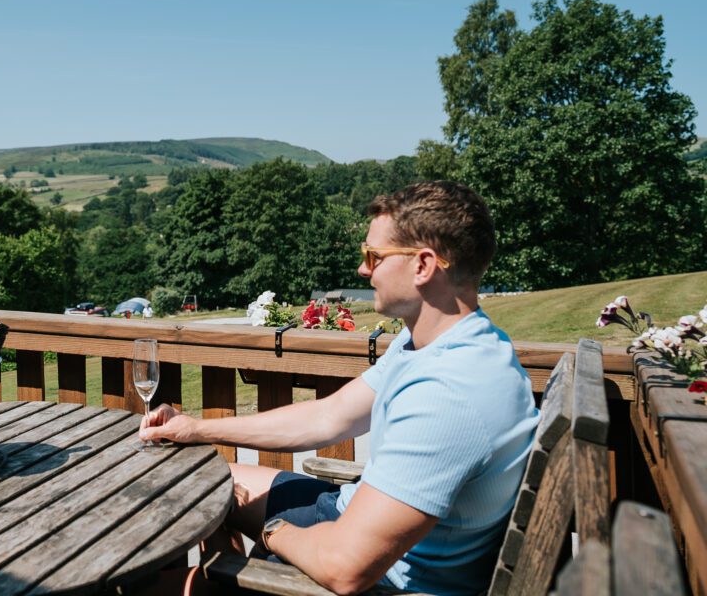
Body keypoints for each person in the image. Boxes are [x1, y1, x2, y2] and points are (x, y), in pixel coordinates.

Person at [141, 181, 539, 595]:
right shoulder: (437, 341)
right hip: (355, 516)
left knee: (161, 579)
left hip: (374, 574)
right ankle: (218, 578)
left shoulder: (449, 392)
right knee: (199, 482)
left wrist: (273, 531)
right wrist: (198, 429)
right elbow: (330, 416)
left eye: (374, 256)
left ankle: (216, 581)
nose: (363, 270)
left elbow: (346, 569)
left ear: (422, 265)